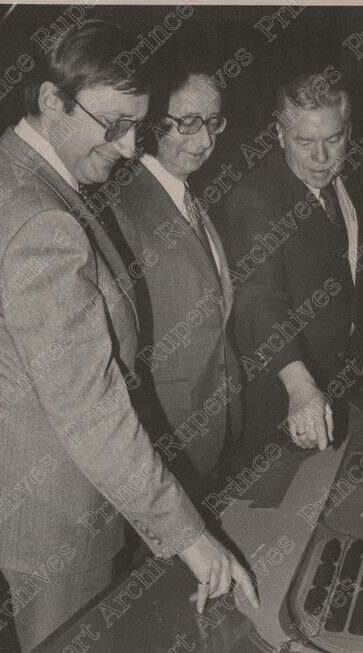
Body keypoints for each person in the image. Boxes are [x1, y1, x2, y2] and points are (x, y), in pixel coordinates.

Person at [0, 21, 256, 653]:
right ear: (51, 101)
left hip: (15, 493)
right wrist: (189, 534)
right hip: (58, 515)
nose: (128, 147)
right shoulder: (42, 217)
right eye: (115, 124)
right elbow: (89, 407)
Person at [223, 73, 363, 454]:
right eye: (304, 142)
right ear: (280, 134)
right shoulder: (254, 198)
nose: (321, 157)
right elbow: (260, 298)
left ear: (348, 131)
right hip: (285, 400)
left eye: (332, 140)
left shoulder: (355, 180)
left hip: (348, 382)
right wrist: (298, 383)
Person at [117, 54, 242, 505]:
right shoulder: (122, 206)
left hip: (218, 424)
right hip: (164, 436)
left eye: (212, 122)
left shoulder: (193, 197)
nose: (205, 139)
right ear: (152, 122)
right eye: (188, 122)